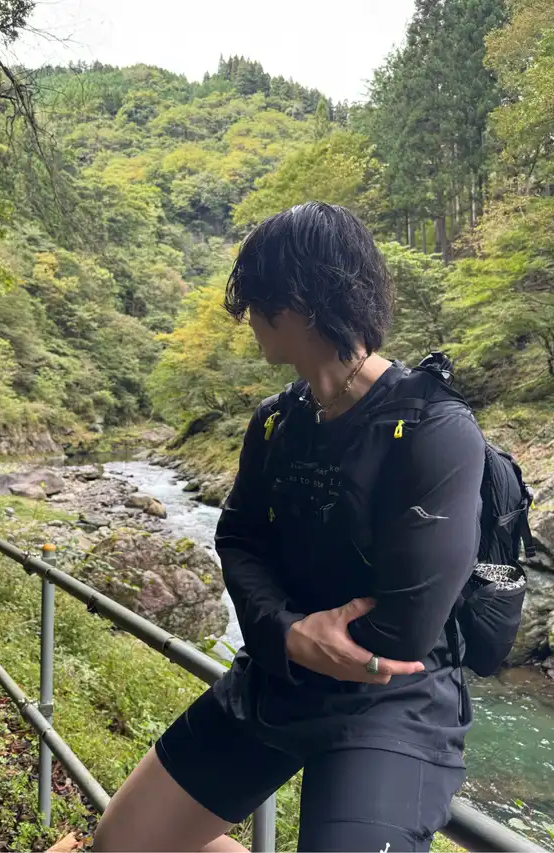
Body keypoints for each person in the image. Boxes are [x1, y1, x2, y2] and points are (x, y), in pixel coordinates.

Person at [94, 202, 485, 853]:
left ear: (297, 301)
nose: (246, 316)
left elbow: (406, 629)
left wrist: (295, 634)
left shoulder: (434, 429)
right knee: (122, 842)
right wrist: (286, 632)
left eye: (254, 298)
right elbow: (240, 538)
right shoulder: (277, 420)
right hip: (277, 675)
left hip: (391, 703)